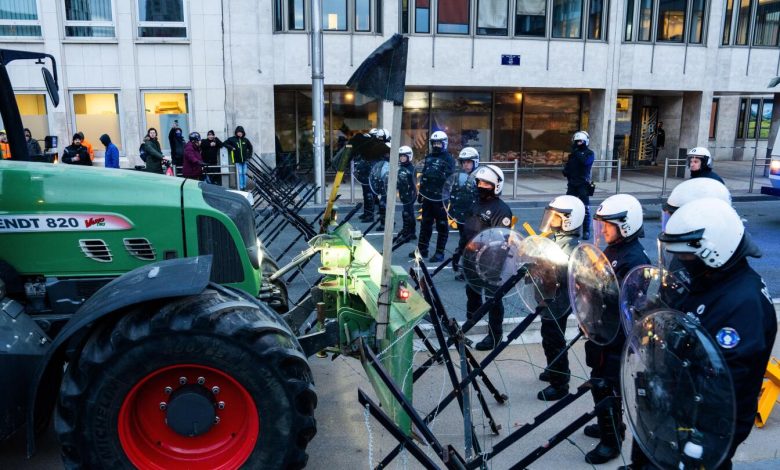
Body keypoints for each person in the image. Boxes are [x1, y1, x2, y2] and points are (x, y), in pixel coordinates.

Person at [621, 198, 776, 470]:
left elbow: (726, 383)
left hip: (704, 424)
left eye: (686, 256)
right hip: (674, 405)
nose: (681, 262)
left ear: (714, 251)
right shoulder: (709, 278)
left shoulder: (744, 304)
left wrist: (696, 441)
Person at [583, 193, 650, 464]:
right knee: (599, 381)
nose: (603, 230)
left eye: (608, 225)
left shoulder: (634, 259)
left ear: (626, 225)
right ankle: (608, 422)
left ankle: (611, 440)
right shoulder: (615, 250)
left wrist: (594, 286)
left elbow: (625, 300)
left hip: (616, 335)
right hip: (602, 329)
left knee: (607, 386)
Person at [535, 195, 585, 401]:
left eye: (555, 216)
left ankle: (560, 383)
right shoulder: (557, 240)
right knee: (549, 337)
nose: (550, 219)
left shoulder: (570, 247)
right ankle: (553, 368)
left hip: (559, 301)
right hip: (550, 299)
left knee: (554, 340)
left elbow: (565, 275)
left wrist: (544, 267)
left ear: (568, 220)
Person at [463, 164, 513, 351]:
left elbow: (501, 240)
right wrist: (460, 251)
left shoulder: (502, 210)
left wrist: (494, 265)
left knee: (493, 299)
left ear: (496, 186)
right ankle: (472, 320)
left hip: (491, 260)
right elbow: (467, 231)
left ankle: (495, 335)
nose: (481, 186)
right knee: (472, 291)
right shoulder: (475, 203)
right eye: (479, 182)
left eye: (486, 183)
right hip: (471, 257)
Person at [412, 131, 456, 262]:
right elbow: (424, 175)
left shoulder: (449, 159)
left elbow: (450, 178)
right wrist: (421, 192)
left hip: (441, 198)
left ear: (444, 143)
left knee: (442, 225)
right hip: (428, 196)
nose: (436, 145)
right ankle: (422, 250)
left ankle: (440, 252)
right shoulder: (429, 157)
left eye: (439, 143)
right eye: (434, 143)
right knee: (425, 224)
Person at [451, 146, 480, 281]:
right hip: (462, 217)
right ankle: (466, 268)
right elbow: (455, 193)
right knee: (464, 242)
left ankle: (471, 272)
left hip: (475, 219)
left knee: (472, 245)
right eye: (463, 162)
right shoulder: (460, 177)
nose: (466, 165)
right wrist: (453, 208)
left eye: (469, 162)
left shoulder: (481, 177)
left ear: (475, 162)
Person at [563, 130, 594, 239]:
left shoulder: (589, 153)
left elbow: (585, 162)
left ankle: (586, 231)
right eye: (577, 141)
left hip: (583, 184)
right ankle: (570, 228)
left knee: (585, 208)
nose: (578, 143)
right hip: (572, 184)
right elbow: (568, 167)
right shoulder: (573, 154)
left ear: (585, 141)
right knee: (569, 208)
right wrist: (566, 171)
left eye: (580, 141)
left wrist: (576, 153)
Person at [358, 128, 383, 223]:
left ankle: (370, 215)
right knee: (366, 194)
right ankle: (367, 213)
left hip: (371, 173)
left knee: (370, 195)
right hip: (365, 173)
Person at [394, 145, 418, 242]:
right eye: (401, 156)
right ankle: (412, 232)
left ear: (409, 156)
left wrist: (413, 194)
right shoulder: (401, 167)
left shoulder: (412, 168)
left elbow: (413, 183)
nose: (402, 158)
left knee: (406, 213)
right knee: (410, 213)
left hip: (410, 193)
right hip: (403, 193)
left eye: (404, 156)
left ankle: (407, 233)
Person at [224, 125, 253, 191]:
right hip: (237, 160)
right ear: (236, 132)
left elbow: (250, 147)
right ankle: (240, 187)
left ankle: (244, 187)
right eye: (238, 132)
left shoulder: (245, 140)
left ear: (243, 133)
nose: (240, 133)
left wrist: (249, 156)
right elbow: (224, 143)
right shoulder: (232, 139)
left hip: (245, 160)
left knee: (244, 174)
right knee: (239, 174)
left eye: (241, 132)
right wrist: (231, 147)